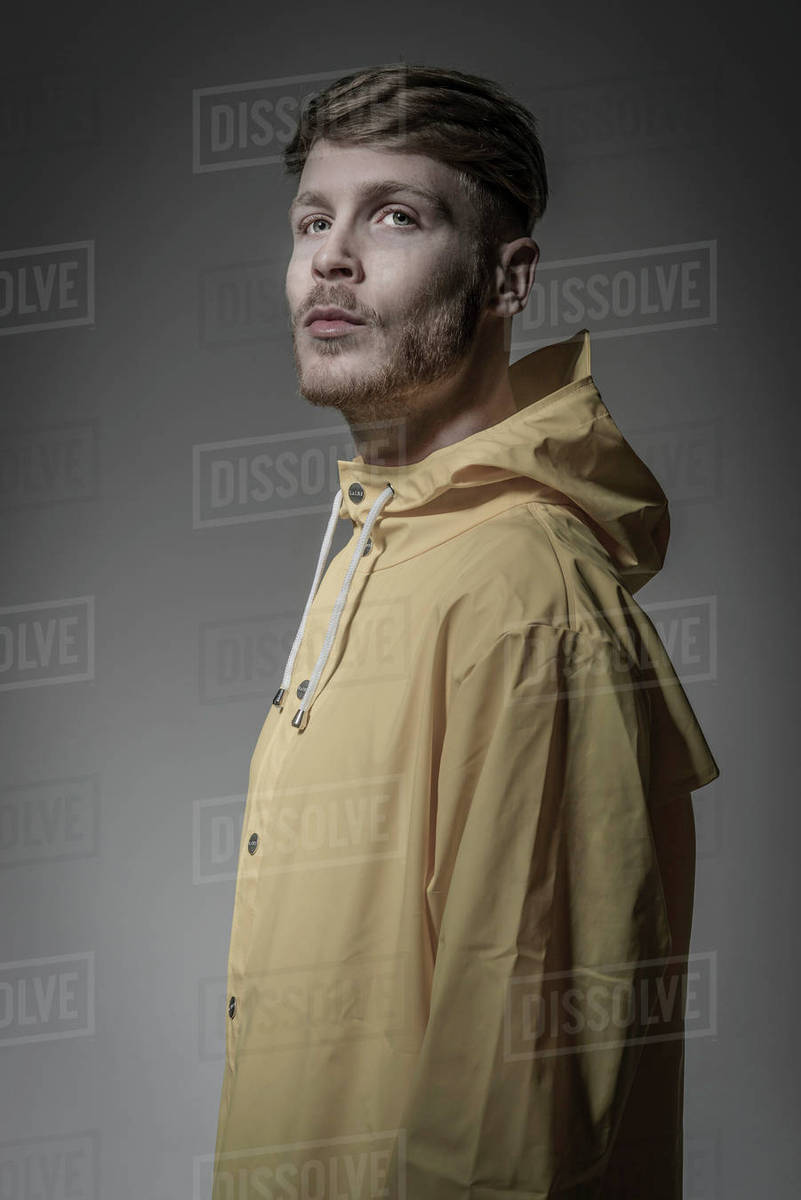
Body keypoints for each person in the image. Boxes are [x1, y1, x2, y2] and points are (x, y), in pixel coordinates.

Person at [211, 63, 719, 1199]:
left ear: (506, 277)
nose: (331, 256)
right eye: (313, 220)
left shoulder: (525, 596)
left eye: (396, 215)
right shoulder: (389, 556)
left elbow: (518, 1118)